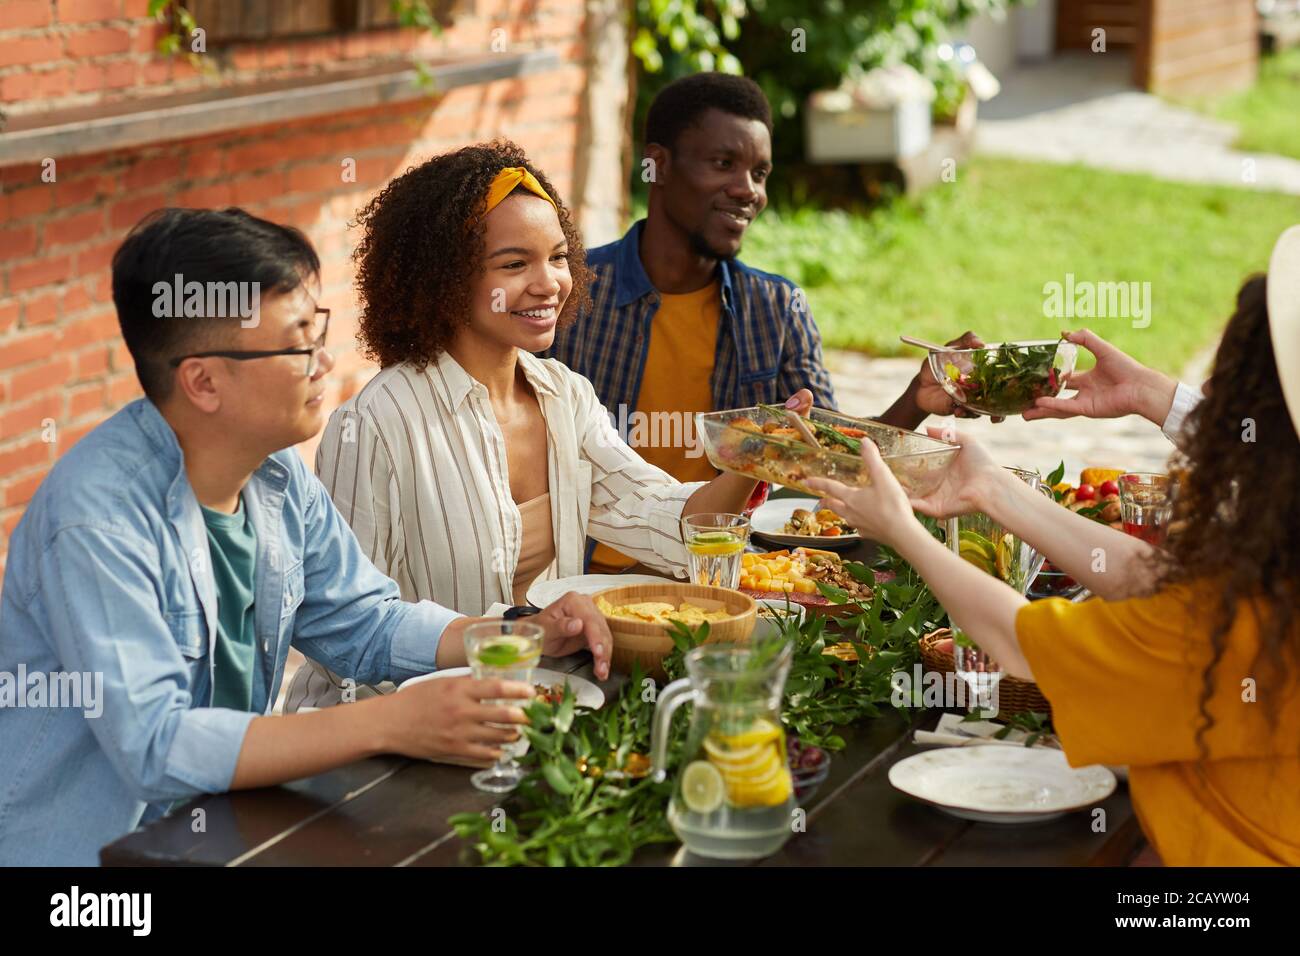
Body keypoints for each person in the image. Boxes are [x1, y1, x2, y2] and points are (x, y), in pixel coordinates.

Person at [0, 207, 614, 866]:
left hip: (233, 825)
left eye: (319, 329)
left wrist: (519, 634)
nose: (326, 362)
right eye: (298, 345)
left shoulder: (272, 472)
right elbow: (158, 745)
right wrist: (392, 721)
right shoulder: (97, 523)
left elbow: (362, 619)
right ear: (203, 380)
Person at [806, 229, 1300, 865]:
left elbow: (1018, 640)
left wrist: (901, 531)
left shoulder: (1223, 630)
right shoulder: (1270, 578)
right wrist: (993, 490)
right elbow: (1149, 577)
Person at [285, 142, 811, 711]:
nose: (549, 283)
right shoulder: (376, 425)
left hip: (541, 707)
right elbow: (346, 631)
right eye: (514, 265)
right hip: (394, 729)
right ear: (446, 279)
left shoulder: (565, 396)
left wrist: (752, 453)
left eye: (558, 257)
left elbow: (669, 521)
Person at [542, 72, 986, 571]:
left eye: (760, 173)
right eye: (723, 164)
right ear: (658, 164)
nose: (748, 190)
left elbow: (830, 463)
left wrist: (917, 397)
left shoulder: (776, 308)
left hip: (725, 574)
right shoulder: (573, 291)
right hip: (586, 578)